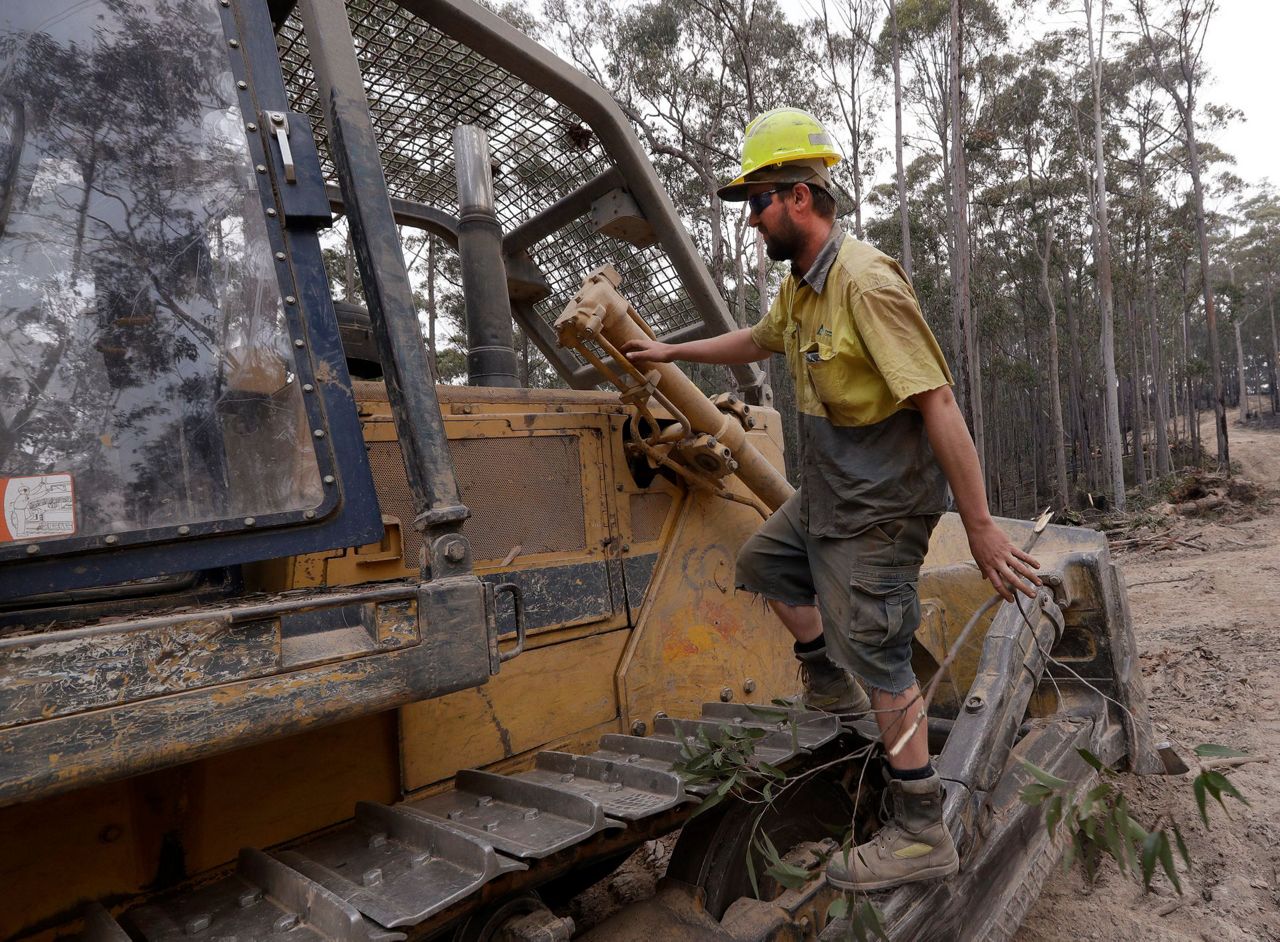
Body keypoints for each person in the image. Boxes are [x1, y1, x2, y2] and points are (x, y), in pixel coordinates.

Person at [622, 108, 1042, 892]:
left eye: (758, 203)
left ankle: (921, 830)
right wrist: (673, 350)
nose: (752, 221)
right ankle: (831, 690)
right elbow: (758, 339)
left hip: (881, 508)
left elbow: (940, 406)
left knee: (883, 659)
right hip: (828, 496)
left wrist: (980, 527)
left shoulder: (866, 283)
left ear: (799, 198)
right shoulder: (801, 288)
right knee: (767, 563)